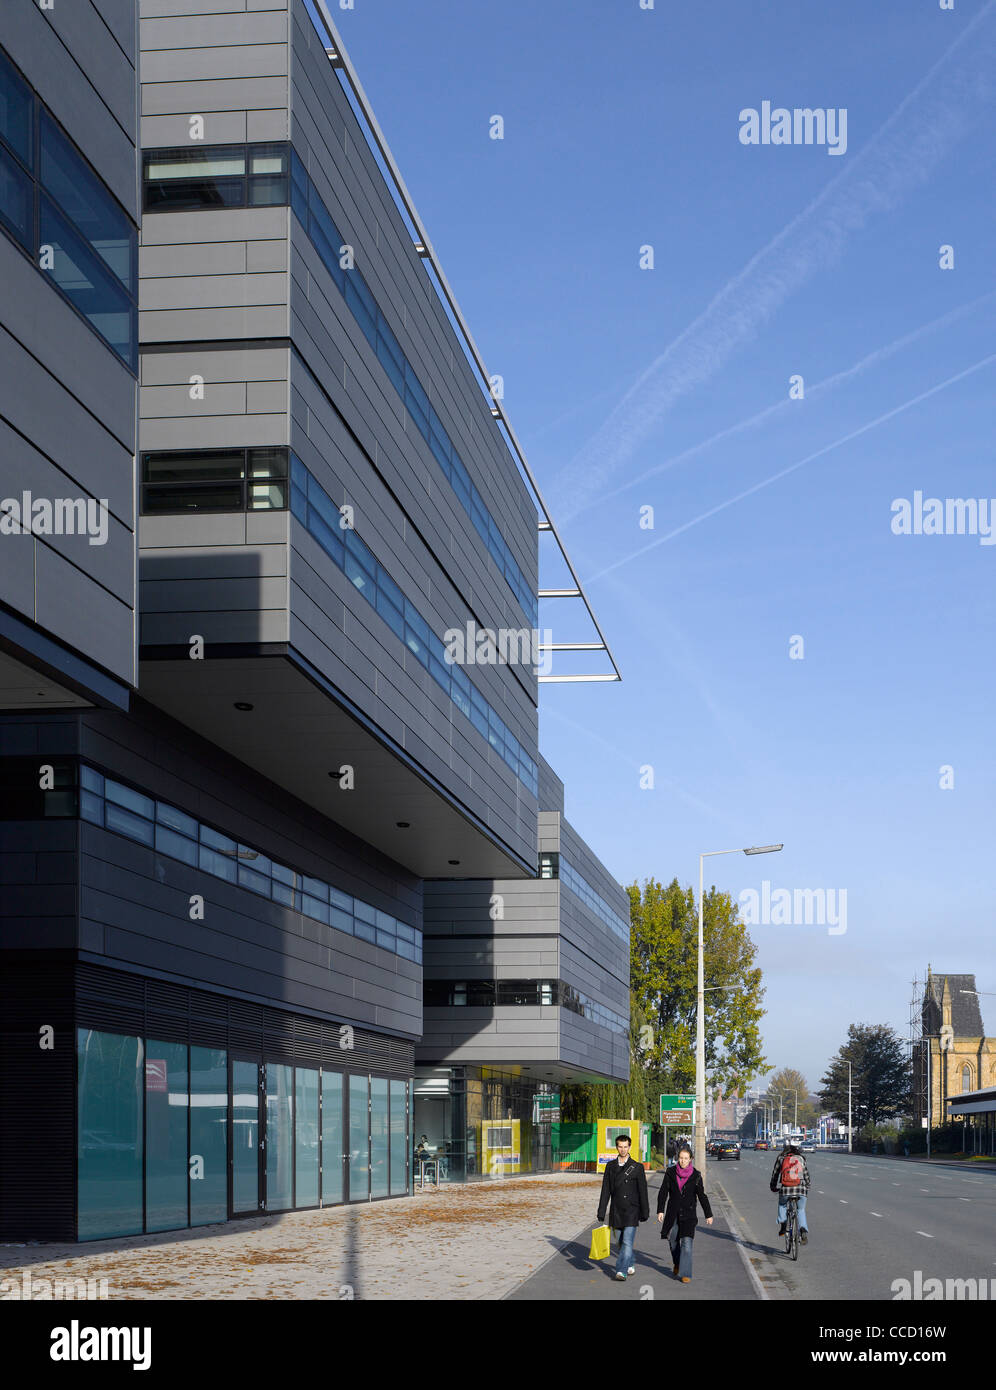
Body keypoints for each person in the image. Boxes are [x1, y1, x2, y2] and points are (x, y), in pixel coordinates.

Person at [596, 1133, 650, 1282]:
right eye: (620, 1146)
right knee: (620, 1242)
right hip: (616, 1210)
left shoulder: (637, 1167)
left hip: (632, 1210)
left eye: (625, 1146)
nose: (623, 1149)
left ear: (630, 1147)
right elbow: (605, 1190)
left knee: (627, 1241)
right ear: (617, 1147)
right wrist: (601, 1211)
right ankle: (630, 1262)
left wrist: (645, 1211)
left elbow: (643, 1191)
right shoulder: (611, 1166)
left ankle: (621, 1270)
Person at [656, 1143, 713, 1281]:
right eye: (681, 1158)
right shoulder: (670, 1172)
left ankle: (685, 1273)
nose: (683, 1161)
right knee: (673, 1241)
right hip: (672, 1213)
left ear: (690, 1159)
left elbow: (702, 1196)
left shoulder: (696, 1176)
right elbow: (663, 1192)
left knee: (687, 1243)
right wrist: (660, 1210)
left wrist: (708, 1214)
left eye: (686, 1158)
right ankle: (677, 1263)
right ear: (677, 1158)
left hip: (689, 1215)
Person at [770, 1136, 810, 1243]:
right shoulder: (800, 1158)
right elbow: (806, 1175)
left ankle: (783, 1223)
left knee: (782, 1204)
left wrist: (773, 1186)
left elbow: (775, 1174)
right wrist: (807, 1185)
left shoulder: (781, 1158)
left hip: (786, 1189)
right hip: (801, 1189)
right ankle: (803, 1230)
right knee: (800, 1210)